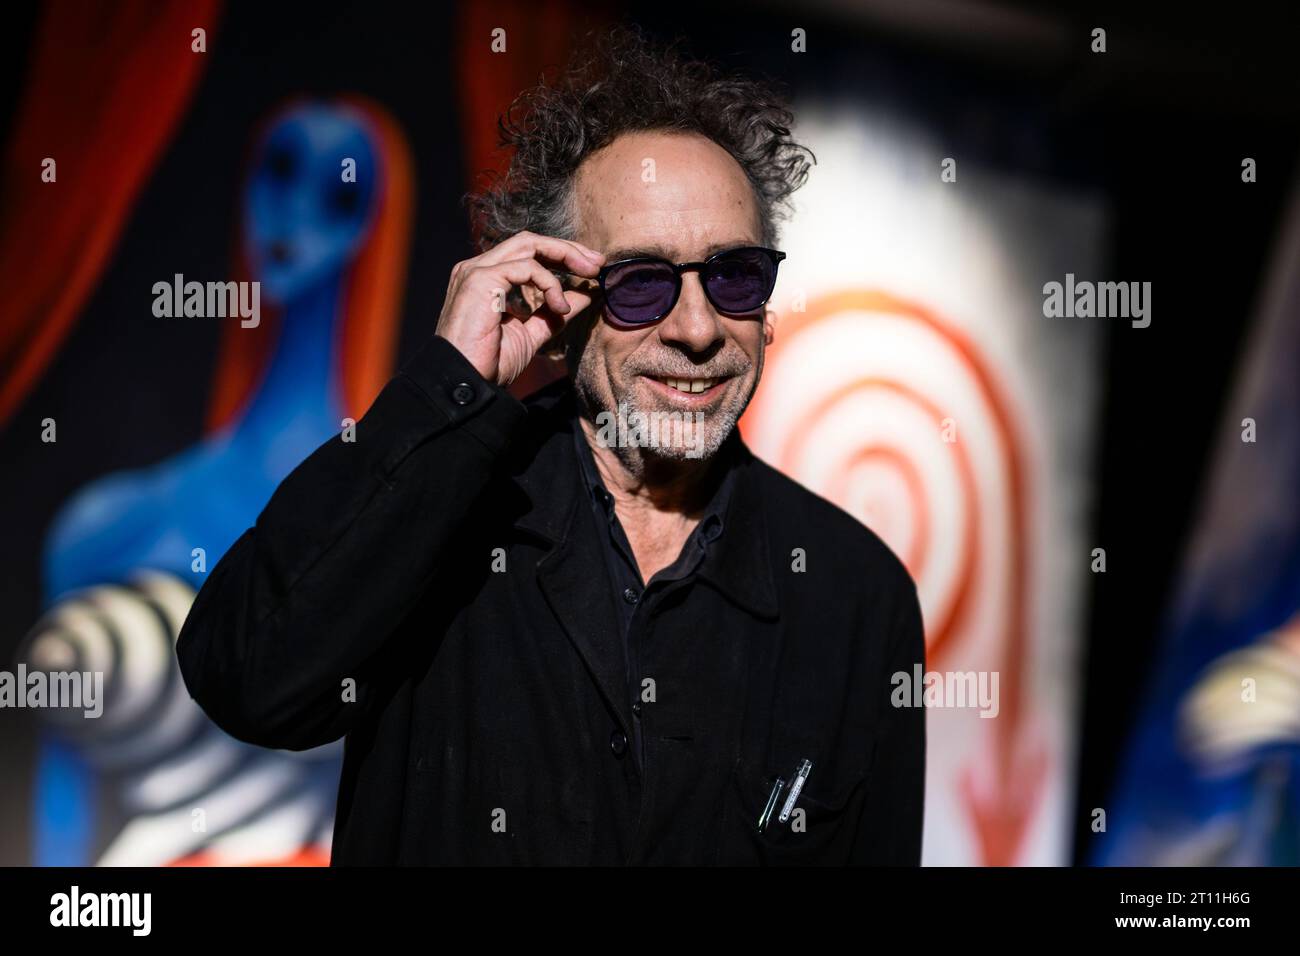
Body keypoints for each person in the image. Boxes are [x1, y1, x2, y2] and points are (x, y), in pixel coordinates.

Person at [177, 26, 926, 865]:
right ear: (563, 304)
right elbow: (246, 678)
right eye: (642, 283)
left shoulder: (854, 595)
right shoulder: (445, 508)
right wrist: (449, 383)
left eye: (734, 276)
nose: (698, 327)